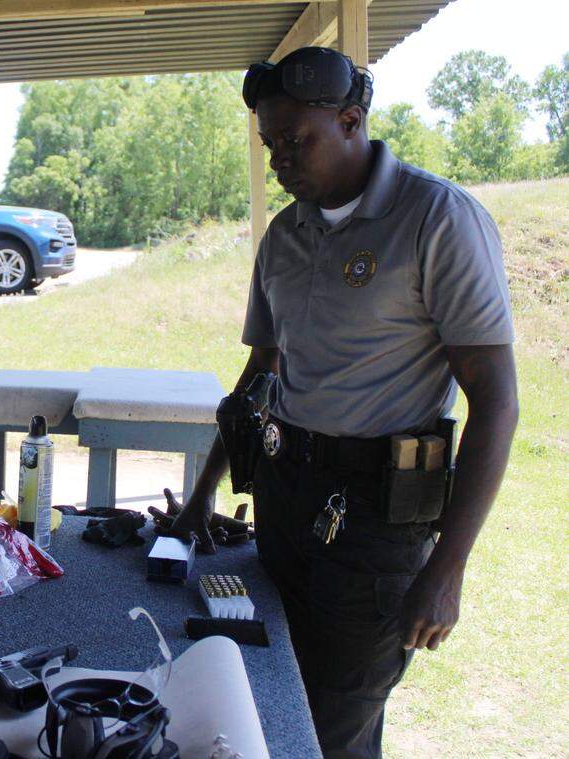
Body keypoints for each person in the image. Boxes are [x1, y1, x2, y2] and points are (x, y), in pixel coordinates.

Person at [152, 47, 518, 758]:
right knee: (264, 699)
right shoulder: (285, 236)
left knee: (332, 730)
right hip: (286, 502)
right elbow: (259, 377)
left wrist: (448, 567)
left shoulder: (436, 218)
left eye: (296, 140)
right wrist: (200, 498)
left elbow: (496, 400)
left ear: (351, 121)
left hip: (377, 524)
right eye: (270, 145)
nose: (280, 160)